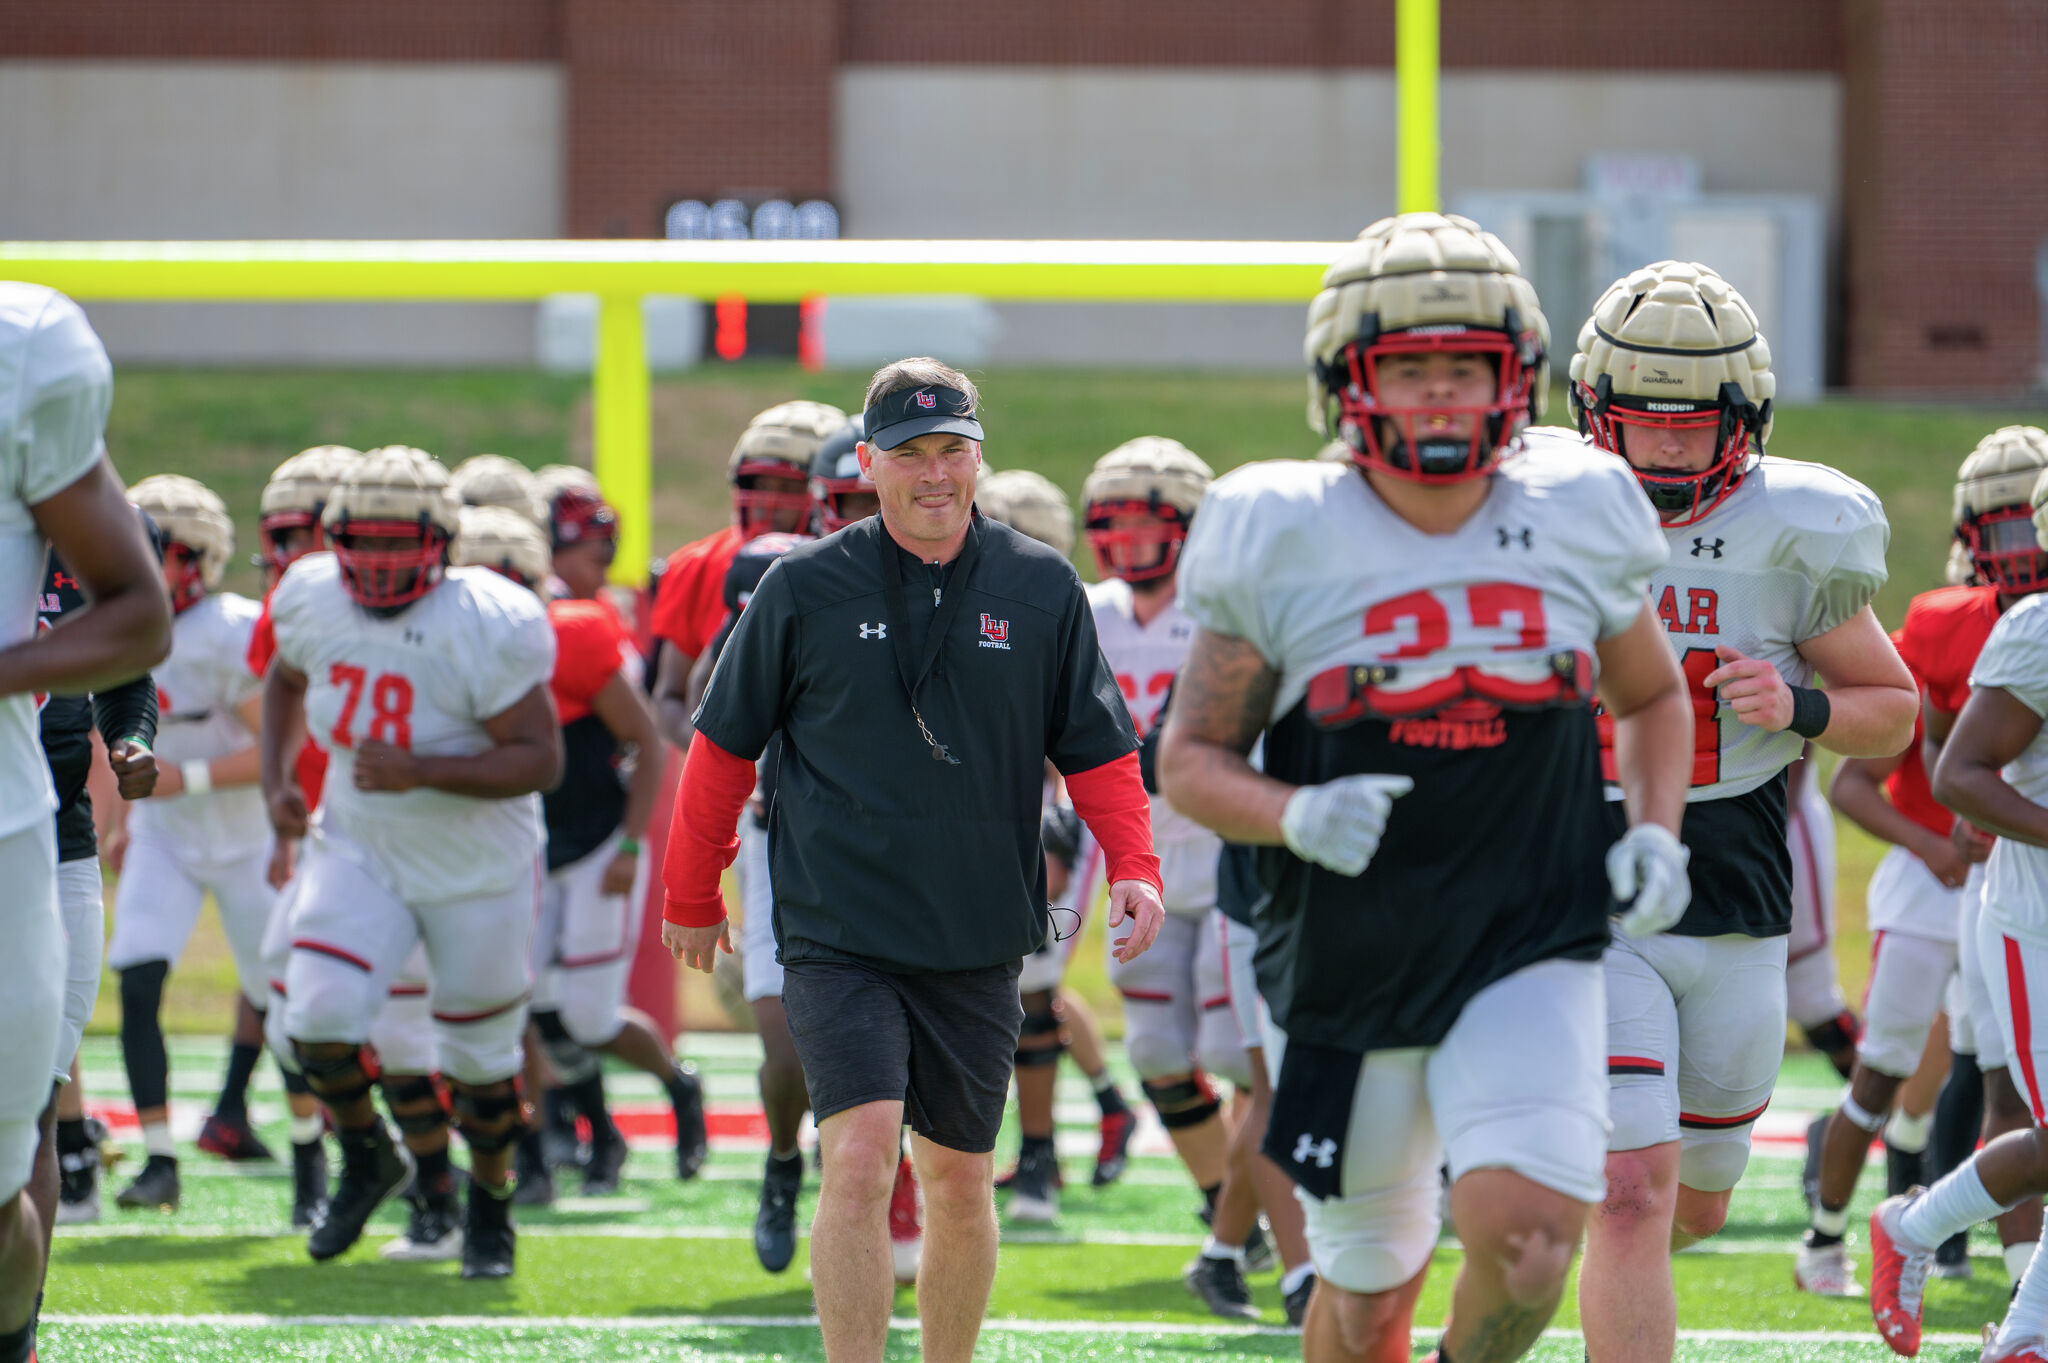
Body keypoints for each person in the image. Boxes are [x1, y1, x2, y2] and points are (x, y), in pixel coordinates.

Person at [1157, 212, 1695, 1363]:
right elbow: (1189, 758)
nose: (1440, 397)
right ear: (1345, 385)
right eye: (1408, 369)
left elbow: (1649, 695)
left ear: (1518, 380)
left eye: (1467, 367)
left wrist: (1655, 832)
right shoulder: (1279, 527)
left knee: (1536, 1235)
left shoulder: (1577, 507)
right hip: (1345, 955)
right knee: (1363, 1297)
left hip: (1529, 930)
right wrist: (1291, 813)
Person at [662, 357, 1166, 1363]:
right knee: (855, 1152)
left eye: (951, 450)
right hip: (836, 923)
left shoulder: (1037, 584)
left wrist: (1135, 865)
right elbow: (720, 750)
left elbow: (1100, 750)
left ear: (978, 457)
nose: (932, 473)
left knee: (956, 1176)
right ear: (866, 463)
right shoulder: (800, 586)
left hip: (976, 927)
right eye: (909, 454)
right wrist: (692, 887)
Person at [1561, 261, 1916, 1349]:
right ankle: (1539, 1242)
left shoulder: (1794, 526)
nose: (1667, 446)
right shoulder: (1533, 510)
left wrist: (1799, 703)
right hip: (1586, 881)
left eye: (1692, 423)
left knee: (1697, 1195)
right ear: (1591, 414)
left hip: (1734, 890)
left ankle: (1546, 1251)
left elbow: (1892, 710)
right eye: (1642, 422)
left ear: (1743, 415)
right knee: (1630, 1185)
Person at [261, 446, 561, 1280]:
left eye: (402, 542)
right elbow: (287, 679)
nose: (383, 561)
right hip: (361, 843)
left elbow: (541, 758)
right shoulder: (312, 593)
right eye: (367, 540)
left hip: (478, 864)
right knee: (313, 1015)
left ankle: (491, 1205)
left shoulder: (489, 617)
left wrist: (423, 768)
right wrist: (275, 778)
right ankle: (367, 1155)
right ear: (337, 538)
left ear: (443, 540)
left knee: (478, 1061)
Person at [0, 281, 172, 1363]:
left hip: (38, 830)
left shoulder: (28, 355)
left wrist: (132, 745)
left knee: (25, 1138)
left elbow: (134, 631)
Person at [450, 507, 706, 1197]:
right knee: (522, 1005)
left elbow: (647, 742)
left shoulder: (575, 633)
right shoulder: (444, 642)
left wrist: (628, 842)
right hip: (524, 845)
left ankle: (678, 1086)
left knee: (586, 1018)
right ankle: (548, 1148)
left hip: (593, 842)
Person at [1869, 460, 2048, 1363]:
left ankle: (1922, 1238)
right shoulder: (2035, 629)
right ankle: (2019, 1327)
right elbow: (1951, 770)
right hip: (2032, 914)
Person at [107, 474, 279, 1215]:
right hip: (166, 836)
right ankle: (159, 1157)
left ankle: (307, 1156)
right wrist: (116, 818)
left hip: (246, 837)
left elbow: (280, 745)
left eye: (166, 551)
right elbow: (104, 729)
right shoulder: (115, 620)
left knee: (283, 994)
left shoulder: (228, 628)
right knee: (137, 979)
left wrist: (192, 776)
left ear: (201, 560)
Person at [1919, 428, 2048, 1288]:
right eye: (1995, 532)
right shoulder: (2017, 626)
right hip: (2021, 903)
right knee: (2005, 1095)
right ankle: (1919, 1224)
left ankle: (2028, 1327)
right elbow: (1948, 766)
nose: (2013, 551)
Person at [34, 513, 160, 1233]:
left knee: (34, 1103)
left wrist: (131, 739)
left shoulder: (92, 537)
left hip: (59, 843)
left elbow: (124, 677)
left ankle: (21, 1329)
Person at [247, 443, 362, 1228]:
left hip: (416, 828)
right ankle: (323, 1156)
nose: (294, 555)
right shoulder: (289, 607)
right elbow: (277, 694)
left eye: (311, 532)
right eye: (283, 537)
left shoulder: (419, 603)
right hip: (327, 832)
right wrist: (278, 804)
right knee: (293, 1001)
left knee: (443, 1019)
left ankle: (462, 1178)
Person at [649, 401, 844, 748]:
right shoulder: (698, 564)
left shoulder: (848, 565)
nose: (768, 502)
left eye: (788, 487)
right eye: (758, 483)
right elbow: (671, 695)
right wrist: (714, 757)